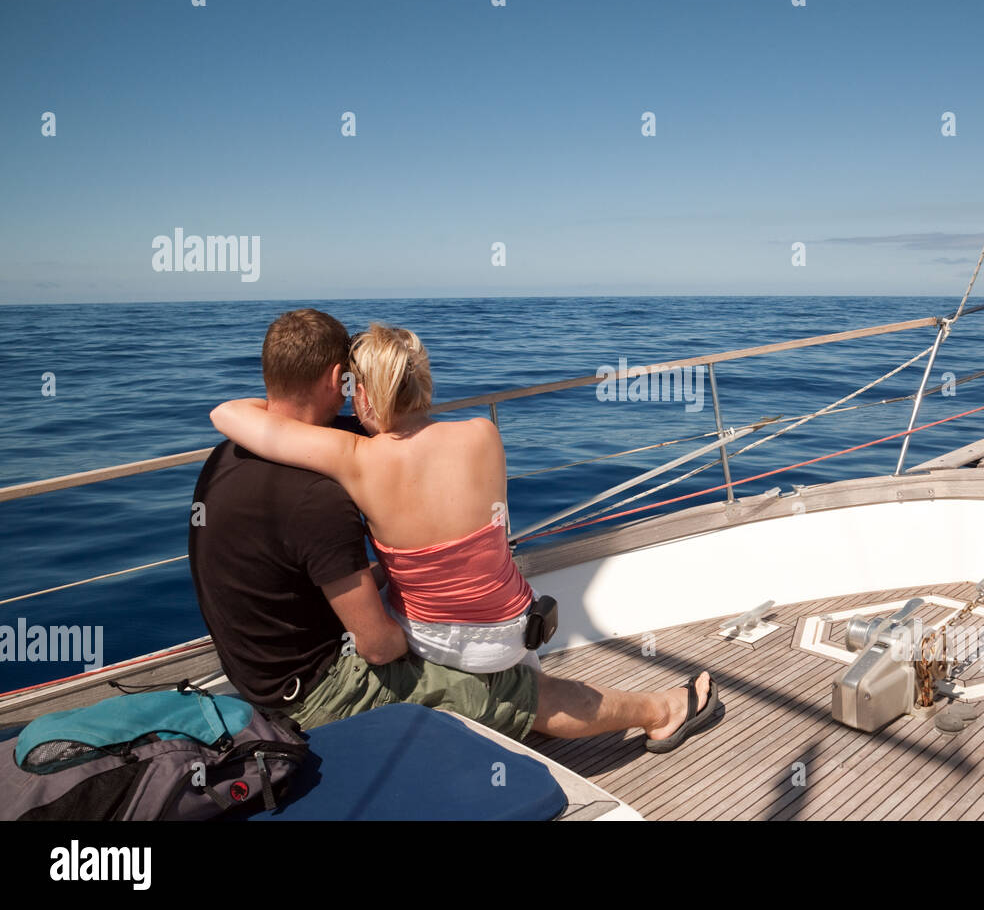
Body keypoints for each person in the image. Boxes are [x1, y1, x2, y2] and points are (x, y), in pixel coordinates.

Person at [193, 308, 720, 753]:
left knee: (432, 624)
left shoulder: (283, 461)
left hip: (272, 674)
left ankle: (532, 702)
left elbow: (227, 412)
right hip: (477, 636)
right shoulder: (482, 433)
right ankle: (657, 709)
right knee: (525, 689)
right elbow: (384, 639)